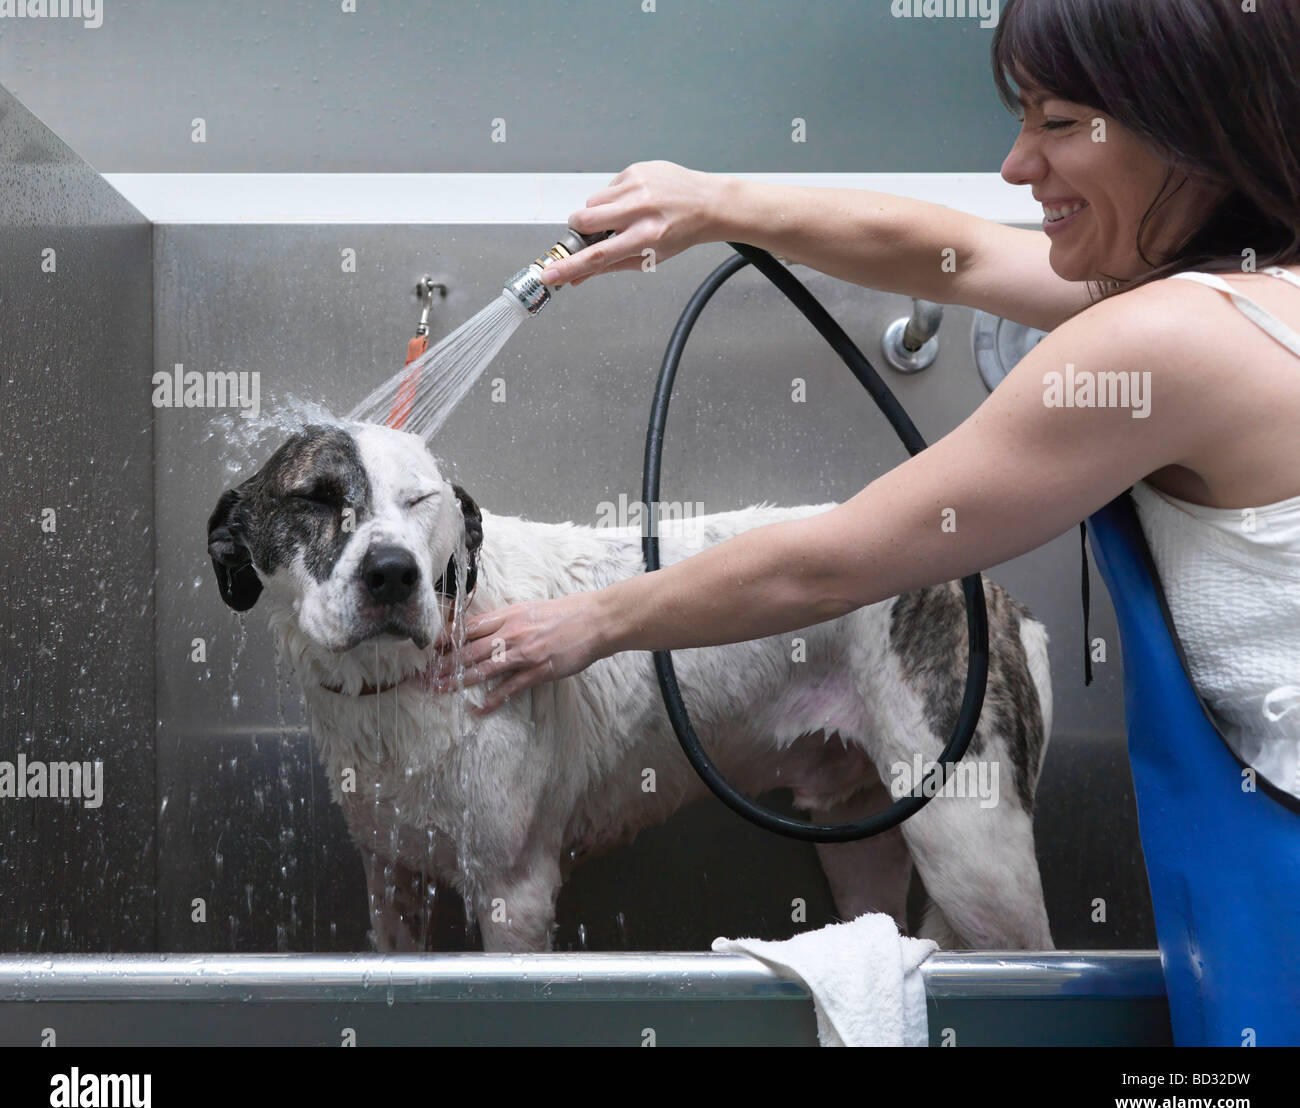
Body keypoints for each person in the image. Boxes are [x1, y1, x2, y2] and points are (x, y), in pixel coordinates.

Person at [434, 0, 1300, 814]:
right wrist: (711, 205)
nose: (1016, 164)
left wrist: (590, 620)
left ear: (1190, 126)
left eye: (1060, 123)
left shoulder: (1168, 338)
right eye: (1024, 117)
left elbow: (834, 565)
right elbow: (958, 253)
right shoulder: (1238, 290)